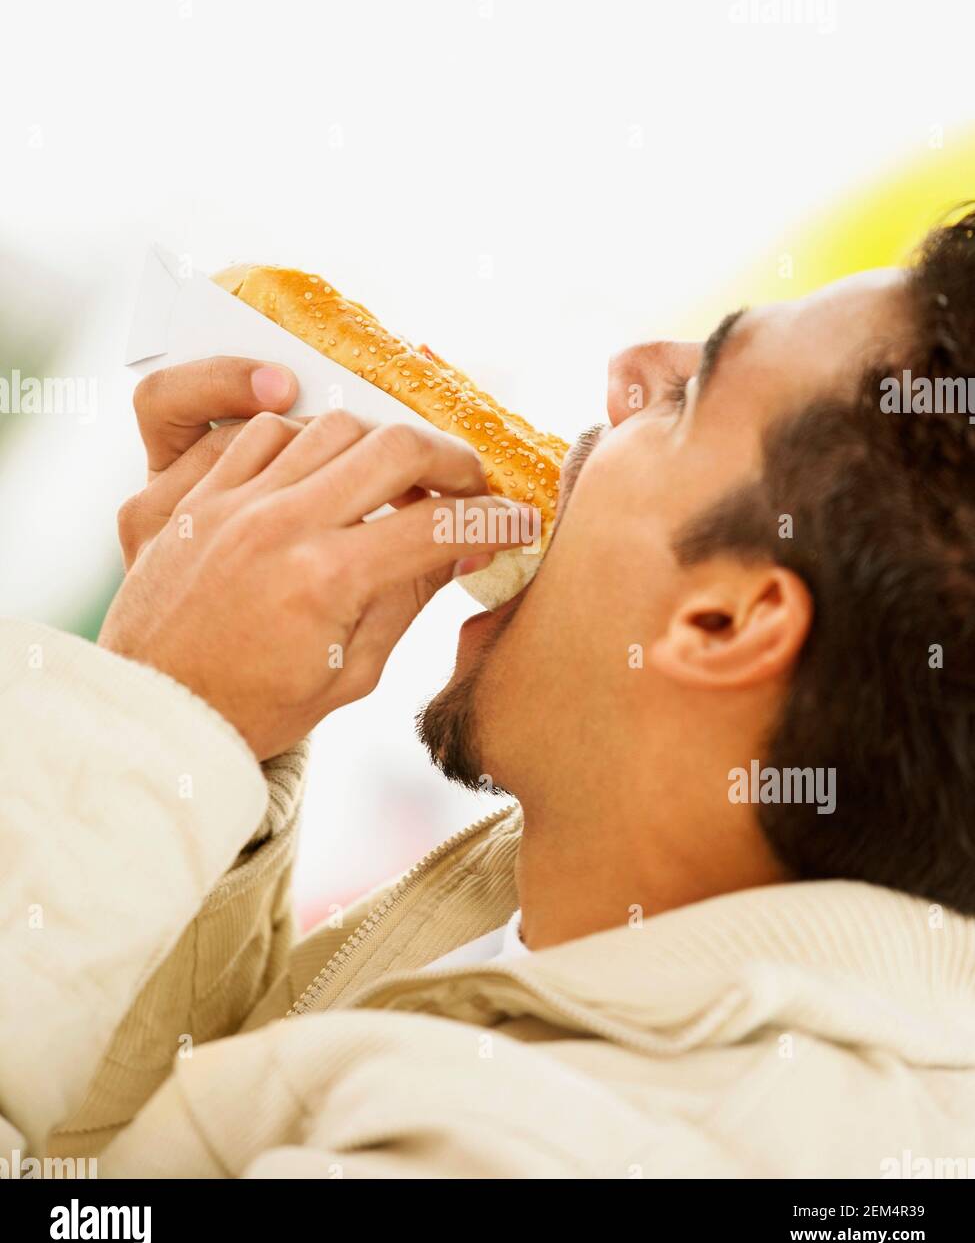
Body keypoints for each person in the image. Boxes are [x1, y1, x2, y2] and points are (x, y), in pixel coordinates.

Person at [4, 210, 975, 1179]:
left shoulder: (555, 1150)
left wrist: (142, 727)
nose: (629, 367)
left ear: (724, 623)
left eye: (691, 394)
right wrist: (209, 756)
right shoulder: (558, 936)